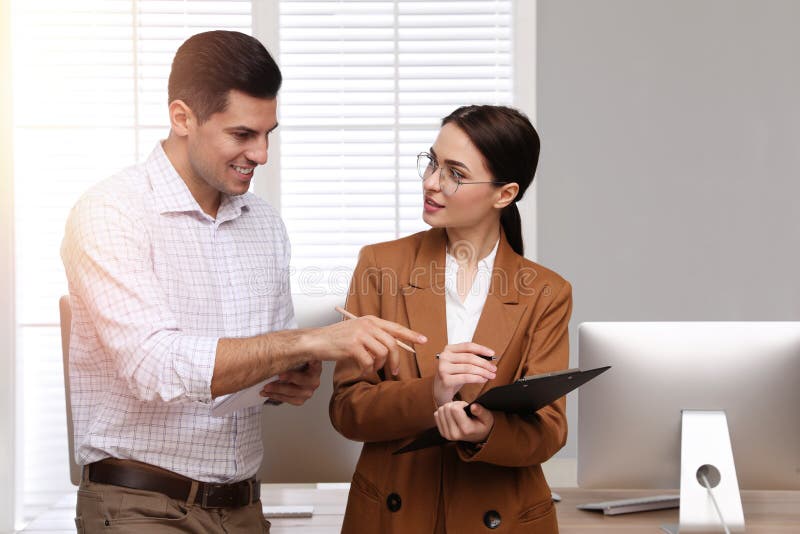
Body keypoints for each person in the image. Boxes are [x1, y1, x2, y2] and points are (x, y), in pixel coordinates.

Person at [60, 30, 425, 534]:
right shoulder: (111, 211)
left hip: (243, 507)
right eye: (242, 134)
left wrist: (289, 379)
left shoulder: (263, 223)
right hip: (140, 508)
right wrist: (305, 339)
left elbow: (265, 357)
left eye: (268, 132)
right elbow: (153, 366)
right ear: (182, 117)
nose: (262, 154)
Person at [330, 105, 572, 533]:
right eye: (433, 162)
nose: (431, 183)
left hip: (503, 514)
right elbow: (347, 410)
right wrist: (433, 393)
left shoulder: (546, 292)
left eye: (455, 173)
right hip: (393, 514)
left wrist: (486, 431)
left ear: (505, 194)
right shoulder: (379, 265)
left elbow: (549, 431)